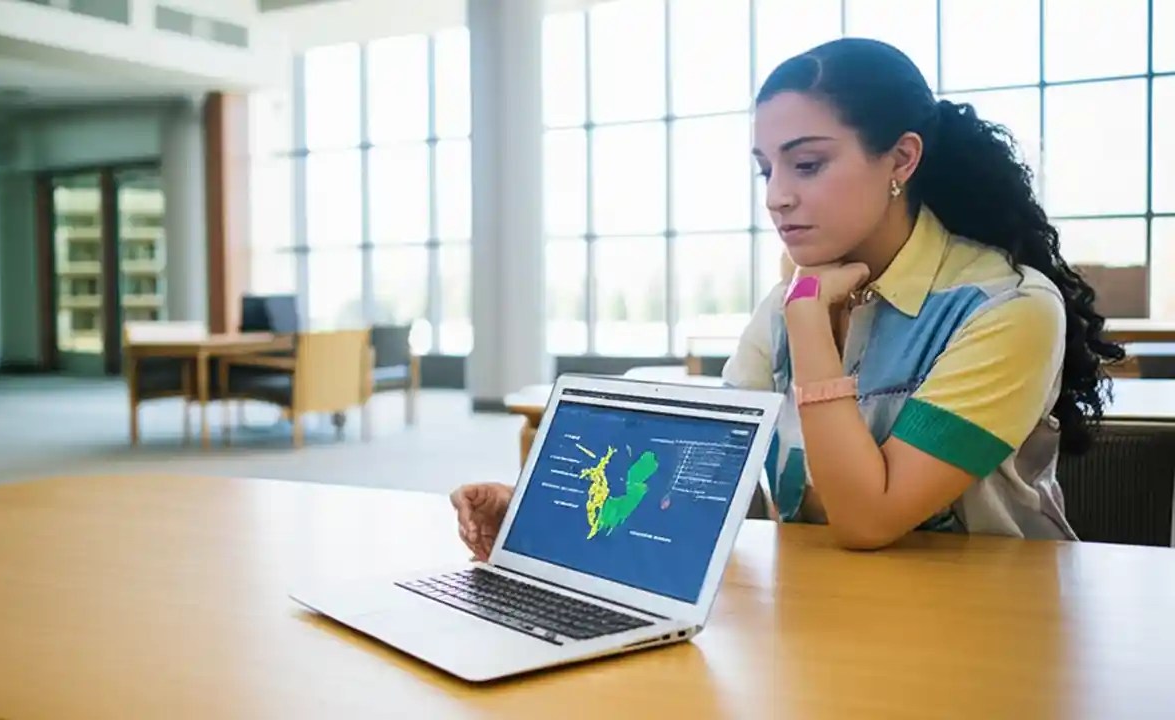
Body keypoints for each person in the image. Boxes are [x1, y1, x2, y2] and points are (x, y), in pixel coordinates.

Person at [451, 38, 1122, 555]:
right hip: (833, 617)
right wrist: (542, 515)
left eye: (807, 164)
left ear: (902, 160)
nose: (776, 196)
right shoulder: (790, 300)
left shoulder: (1005, 308)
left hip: (996, 627)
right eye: (766, 169)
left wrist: (808, 324)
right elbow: (704, 482)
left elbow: (869, 517)